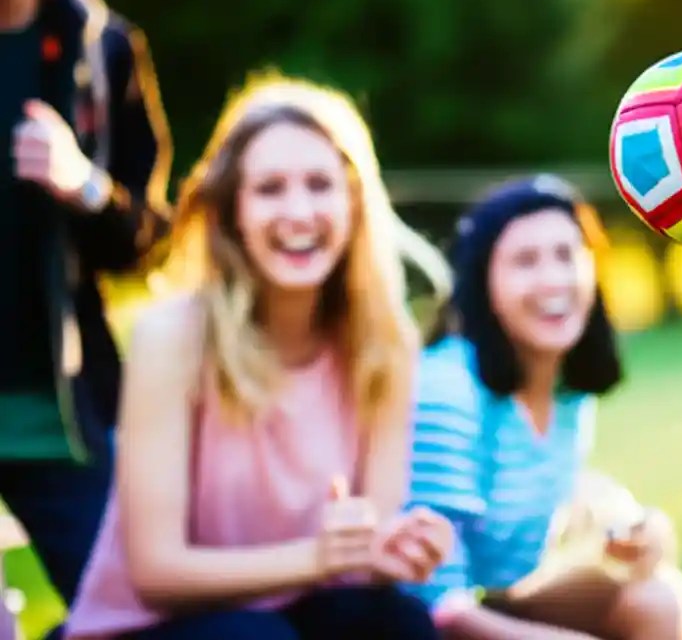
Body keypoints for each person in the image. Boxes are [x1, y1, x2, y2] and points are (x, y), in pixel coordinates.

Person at [61, 75, 456, 640]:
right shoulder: (172, 337)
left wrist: (393, 550)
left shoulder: (386, 344)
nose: (298, 212)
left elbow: (362, 551)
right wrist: (320, 557)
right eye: (270, 189)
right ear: (232, 212)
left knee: (395, 623)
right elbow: (155, 572)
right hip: (155, 627)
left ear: (354, 204)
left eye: (320, 185)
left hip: (290, 615)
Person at [406, 176, 682, 640]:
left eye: (566, 255)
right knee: (660, 605)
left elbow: (531, 556)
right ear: (483, 284)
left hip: (505, 602)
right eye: (525, 261)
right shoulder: (447, 387)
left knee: (667, 602)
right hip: (424, 622)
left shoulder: (567, 392)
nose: (553, 280)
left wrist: (635, 529)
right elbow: (435, 601)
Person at [0, 0, 171, 606]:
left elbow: (148, 240)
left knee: (132, 614)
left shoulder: (104, 45)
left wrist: (84, 185)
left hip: (61, 417)